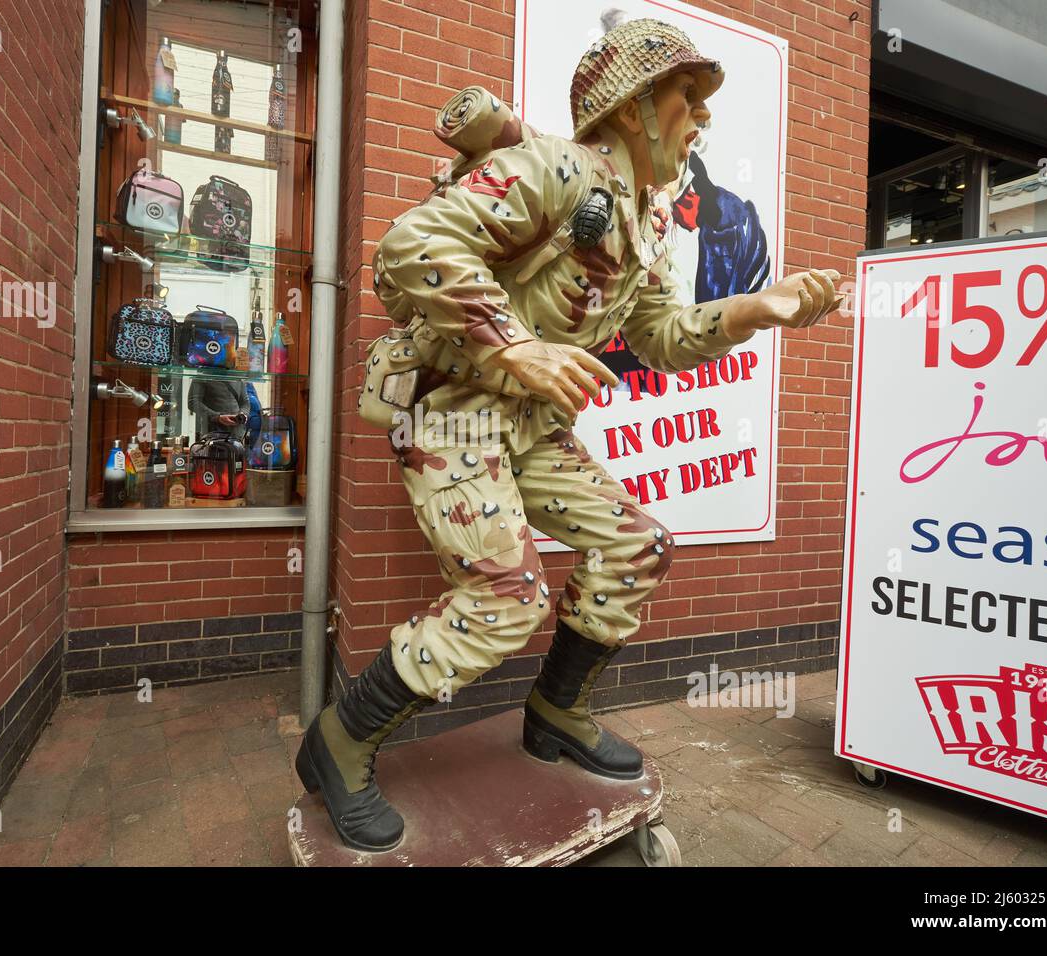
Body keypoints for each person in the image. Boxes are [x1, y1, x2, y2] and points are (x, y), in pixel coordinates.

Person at [294, 18, 845, 852]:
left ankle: (556, 712)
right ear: (632, 108)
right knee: (504, 601)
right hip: (453, 413)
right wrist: (516, 346)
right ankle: (337, 745)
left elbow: (660, 335)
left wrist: (754, 308)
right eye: (687, 98)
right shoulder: (552, 167)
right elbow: (413, 246)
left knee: (636, 546)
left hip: (528, 426)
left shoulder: (648, 224)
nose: (701, 118)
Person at [187, 375, 248, 443]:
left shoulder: (236, 375)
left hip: (236, 433)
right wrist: (217, 417)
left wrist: (243, 414)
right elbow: (192, 402)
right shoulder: (204, 374)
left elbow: (245, 402)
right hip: (213, 434)